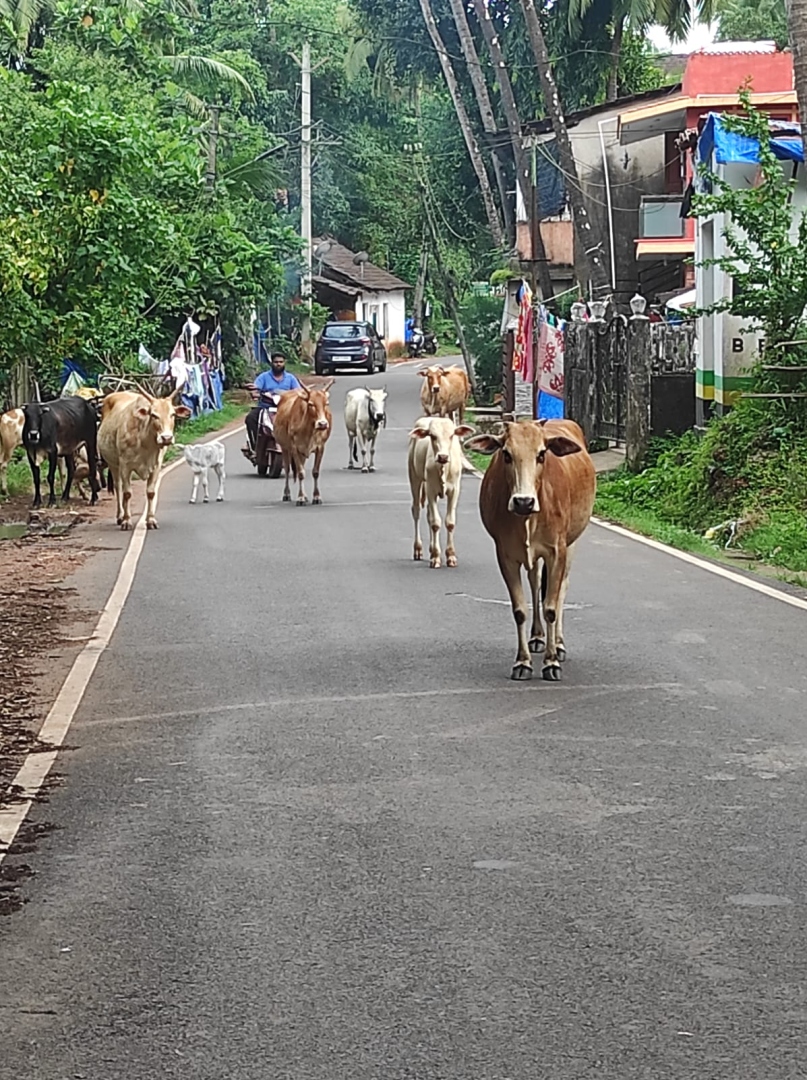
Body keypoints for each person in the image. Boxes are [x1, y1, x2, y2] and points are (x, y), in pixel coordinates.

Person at [245, 352, 302, 451]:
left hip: (286, 409)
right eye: (276, 362)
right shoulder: (263, 377)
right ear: (271, 363)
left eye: (281, 362)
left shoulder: (291, 378)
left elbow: (299, 391)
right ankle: (255, 446)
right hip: (265, 407)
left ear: (284, 363)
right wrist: (254, 392)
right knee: (250, 418)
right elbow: (256, 388)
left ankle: (299, 446)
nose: (278, 364)